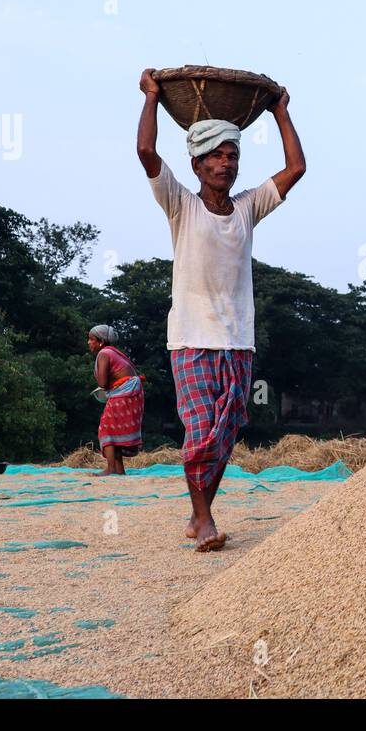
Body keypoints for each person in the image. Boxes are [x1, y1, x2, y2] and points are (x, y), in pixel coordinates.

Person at [136, 68, 305, 551]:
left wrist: (280, 112)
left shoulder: (248, 208)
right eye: (215, 156)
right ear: (196, 165)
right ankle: (206, 520)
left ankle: (197, 514)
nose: (226, 164)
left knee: (225, 435)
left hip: (238, 341)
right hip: (191, 338)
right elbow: (147, 153)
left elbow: (296, 169)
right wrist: (150, 97)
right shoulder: (181, 206)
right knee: (200, 431)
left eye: (232, 156)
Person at [88, 324, 144, 476]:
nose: (88, 342)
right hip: (132, 393)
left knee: (106, 430)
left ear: (100, 342)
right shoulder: (114, 352)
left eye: (91, 339)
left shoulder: (104, 353)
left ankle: (111, 468)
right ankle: (119, 470)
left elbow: (103, 383)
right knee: (115, 431)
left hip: (124, 393)